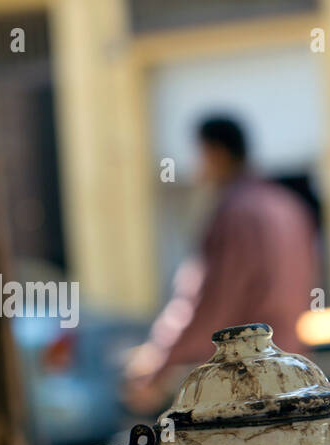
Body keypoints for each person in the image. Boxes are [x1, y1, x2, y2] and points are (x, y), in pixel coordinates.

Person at [122, 116, 318, 414]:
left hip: (243, 386)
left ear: (215, 152)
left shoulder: (235, 212)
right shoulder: (286, 205)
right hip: (290, 375)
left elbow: (207, 304)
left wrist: (157, 366)